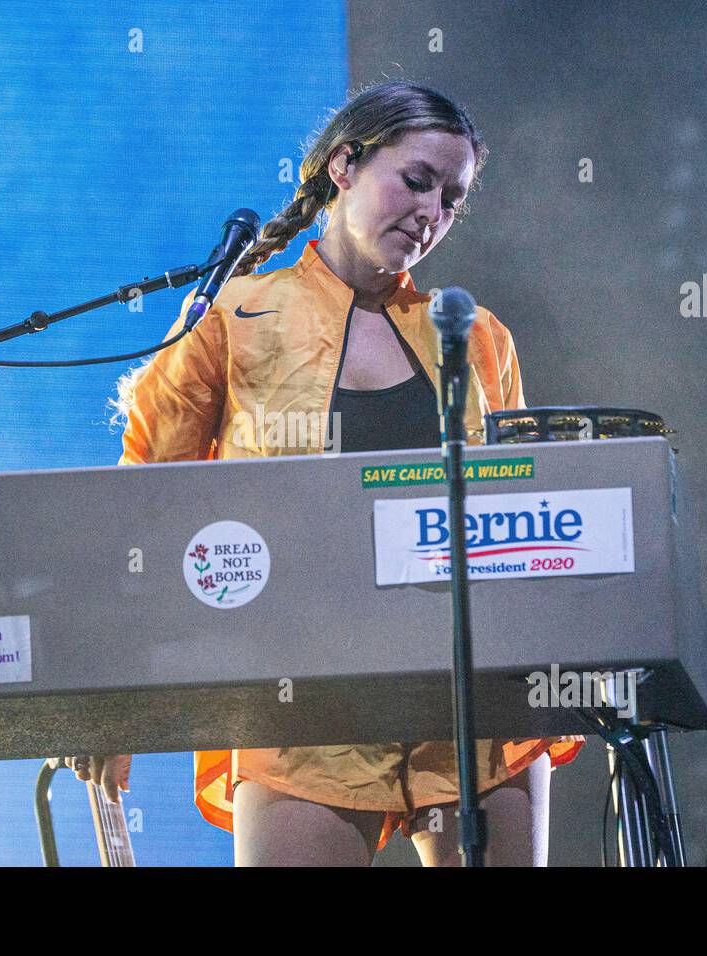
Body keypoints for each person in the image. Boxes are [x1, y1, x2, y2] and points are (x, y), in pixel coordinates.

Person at [70, 81, 583, 866]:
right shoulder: (236, 319)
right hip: (299, 703)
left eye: (451, 199)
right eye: (416, 181)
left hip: (472, 703)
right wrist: (112, 702)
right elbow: (141, 509)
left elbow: (519, 513)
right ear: (344, 164)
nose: (430, 213)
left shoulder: (478, 338)